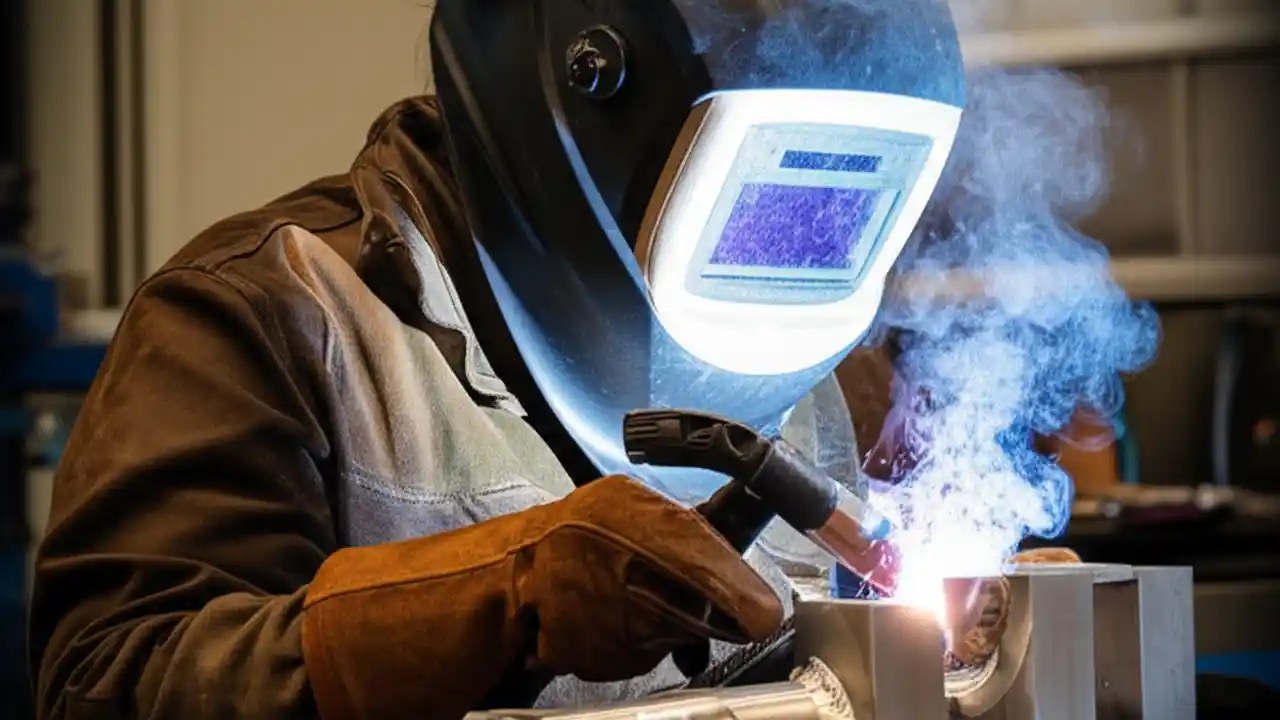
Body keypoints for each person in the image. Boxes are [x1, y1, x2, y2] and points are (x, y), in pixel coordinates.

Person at [28, 1, 966, 718]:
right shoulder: (274, 311)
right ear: (579, 89)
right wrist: (494, 600)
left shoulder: (799, 373)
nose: (792, 257)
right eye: (768, 195)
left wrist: (962, 653)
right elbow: (105, 682)